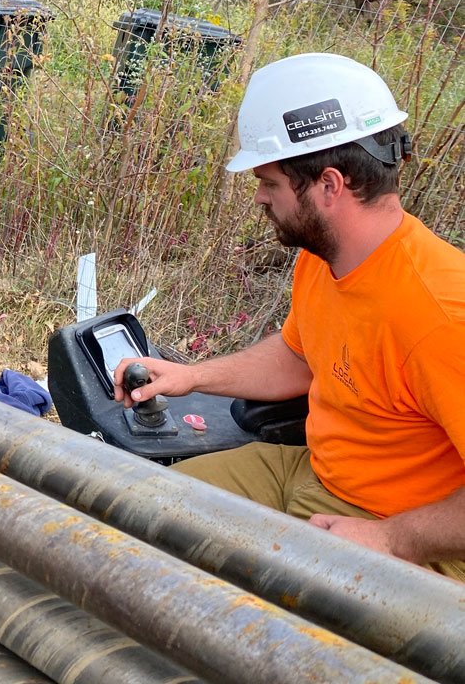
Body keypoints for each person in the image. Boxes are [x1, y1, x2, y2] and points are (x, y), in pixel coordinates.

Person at [113, 53, 465, 580]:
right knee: (128, 513)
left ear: (329, 186)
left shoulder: (441, 312)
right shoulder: (324, 259)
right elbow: (300, 356)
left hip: (398, 533)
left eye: (269, 182)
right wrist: (192, 376)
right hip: (310, 474)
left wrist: (394, 537)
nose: (259, 197)